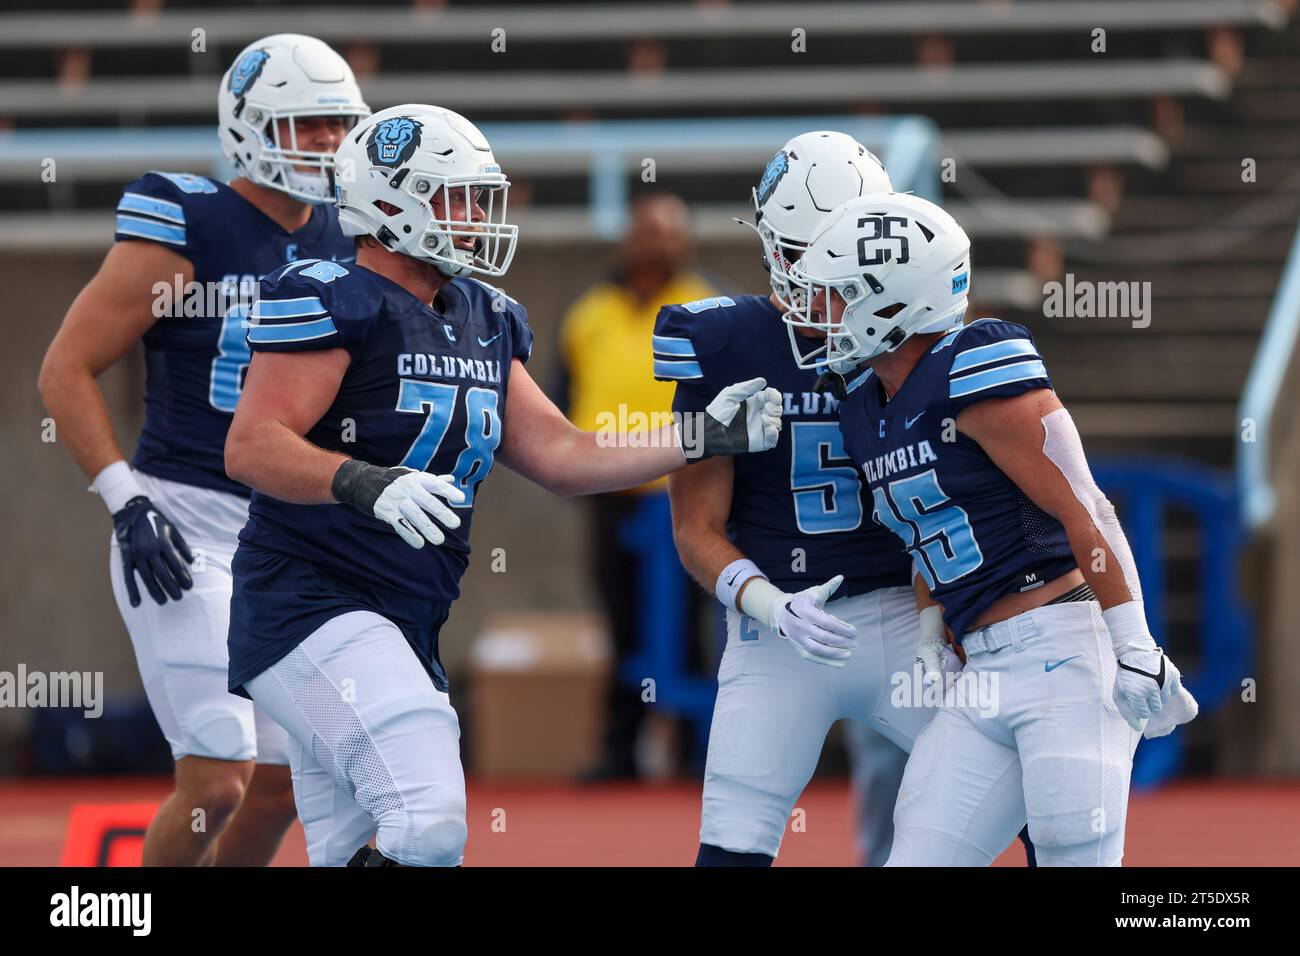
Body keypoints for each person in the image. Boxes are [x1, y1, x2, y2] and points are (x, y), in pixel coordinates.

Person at [221, 103, 783, 867]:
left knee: (369, 846)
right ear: (390, 202)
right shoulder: (332, 295)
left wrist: (696, 438)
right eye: (454, 196)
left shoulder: (485, 315)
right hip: (307, 606)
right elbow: (252, 445)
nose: (475, 216)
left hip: (403, 620)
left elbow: (562, 453)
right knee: (430, 821)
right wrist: (360, 480)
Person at [784, 191, 1198, 866]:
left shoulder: (975, 364)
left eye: (837, 295)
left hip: (1063, 650)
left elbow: (1085, 505)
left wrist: (1134, 641)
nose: (819, 313)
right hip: (981, 667)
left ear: (893, 300)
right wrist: (928, 639)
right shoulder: (864, 407)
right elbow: (924, 529)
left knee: (1073, 850)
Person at [37, 34, 369, 866]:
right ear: (250, 126)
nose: (328, 143)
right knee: (219, 778)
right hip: (181, 522)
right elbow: (66, 368)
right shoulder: (188, 218)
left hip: (284, 536)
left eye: (337, 124)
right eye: (308, 124)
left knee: (282, 785)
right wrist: (125, 497)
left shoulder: (346, 234)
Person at [655, 131, 927, 867]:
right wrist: (766, 602)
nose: (831, 276)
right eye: (813, 252)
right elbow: (696, 527)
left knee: (1034, 794)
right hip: (775, 630)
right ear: (776, 246)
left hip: (908, 616)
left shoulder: (916, 331)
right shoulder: (725, 340)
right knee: (733, 845)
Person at [558, 193, 719, 781]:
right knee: (620, 621)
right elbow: (560, 398)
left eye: (669, 232)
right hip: (610, 494)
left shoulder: (709, 307)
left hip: (684, 492)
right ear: (629, 236)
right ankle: (620, 750)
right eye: (648, 230)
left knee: (690, 626)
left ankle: (695, 753)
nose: (658, 241)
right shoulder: (589, 313)